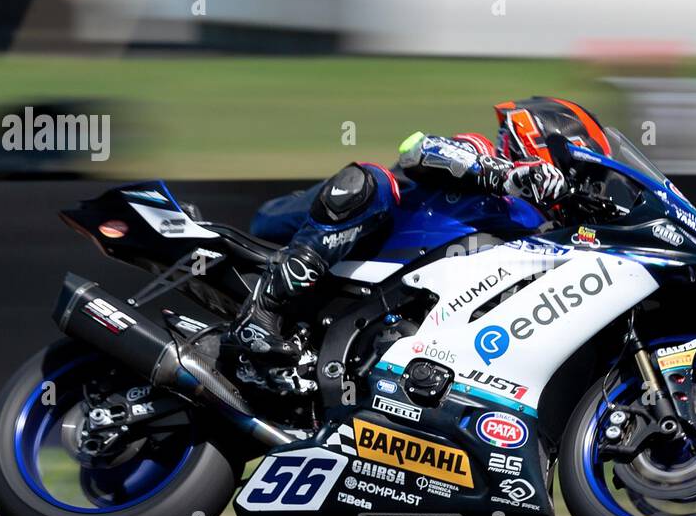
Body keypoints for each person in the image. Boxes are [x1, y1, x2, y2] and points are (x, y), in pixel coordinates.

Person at [245, 97, 615, 339]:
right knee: (374, 180)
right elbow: (415, 150)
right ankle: (263, 309)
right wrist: (505, 175)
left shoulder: (541, 234)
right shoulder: (481, 152)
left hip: (393, 309)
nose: (583, 185)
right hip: (316, 233)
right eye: (583, 173)